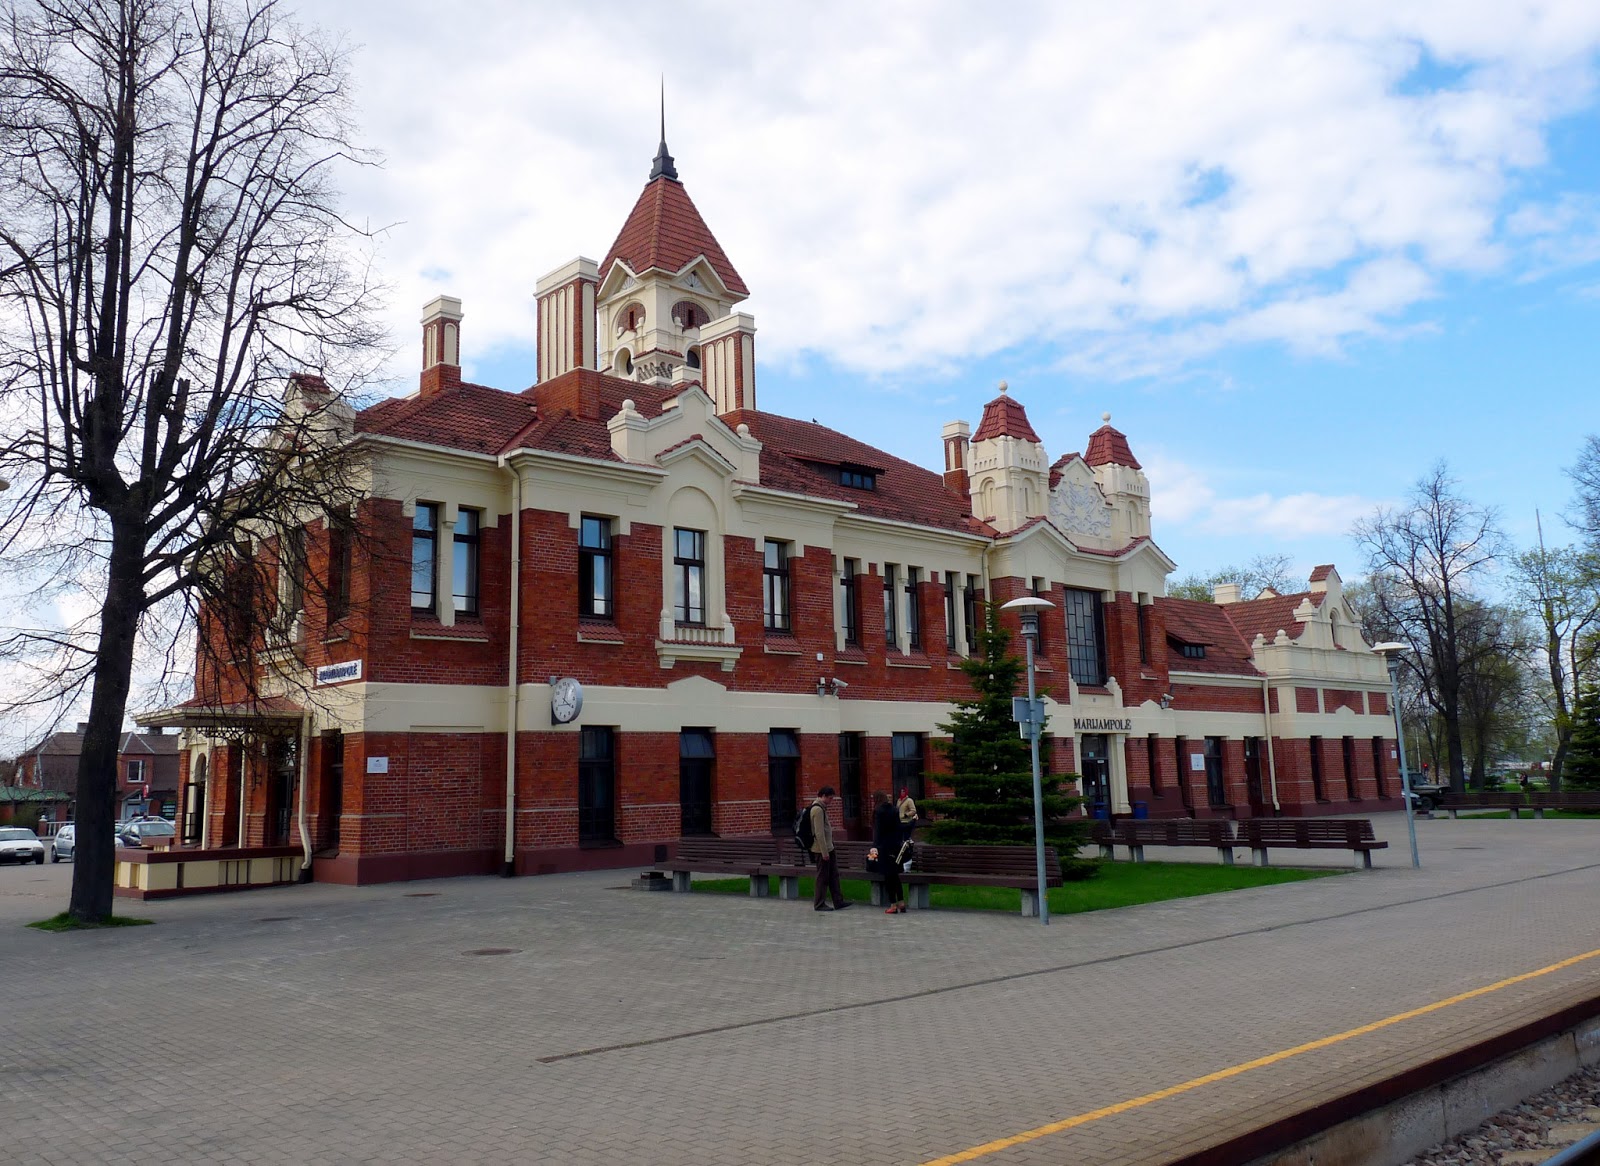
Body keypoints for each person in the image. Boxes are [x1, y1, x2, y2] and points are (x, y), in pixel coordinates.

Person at [807, 786, 849, 912]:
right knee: (822, 877)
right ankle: (819, 903)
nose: (831, 801)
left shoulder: (822, 808)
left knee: (833, 875)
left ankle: (838, 901)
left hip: (828, 847)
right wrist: (825, 852)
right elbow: (819, 833)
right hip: (821, 850)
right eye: (830, 798)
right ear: (823, 796)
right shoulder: (817, 809)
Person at [872, 791, 906, 914]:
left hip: (884, 847)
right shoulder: (894, 810)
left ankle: (893, 904)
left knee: (888, 876)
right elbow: (900, 828)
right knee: (895, 875)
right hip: (896, 847)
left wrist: (875, 846)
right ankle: (901, 902)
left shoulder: (879, 812)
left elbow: (878, 831)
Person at [896, 787, 919, 869]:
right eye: (901, 791)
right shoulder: (899, 800)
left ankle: (908, 858)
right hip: (899, 822)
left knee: (906, 840)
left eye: (903, 791)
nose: (902, 792)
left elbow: (913, 810)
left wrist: (906, 815)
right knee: (900, 840)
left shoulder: (909, 800)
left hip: (906, 822)